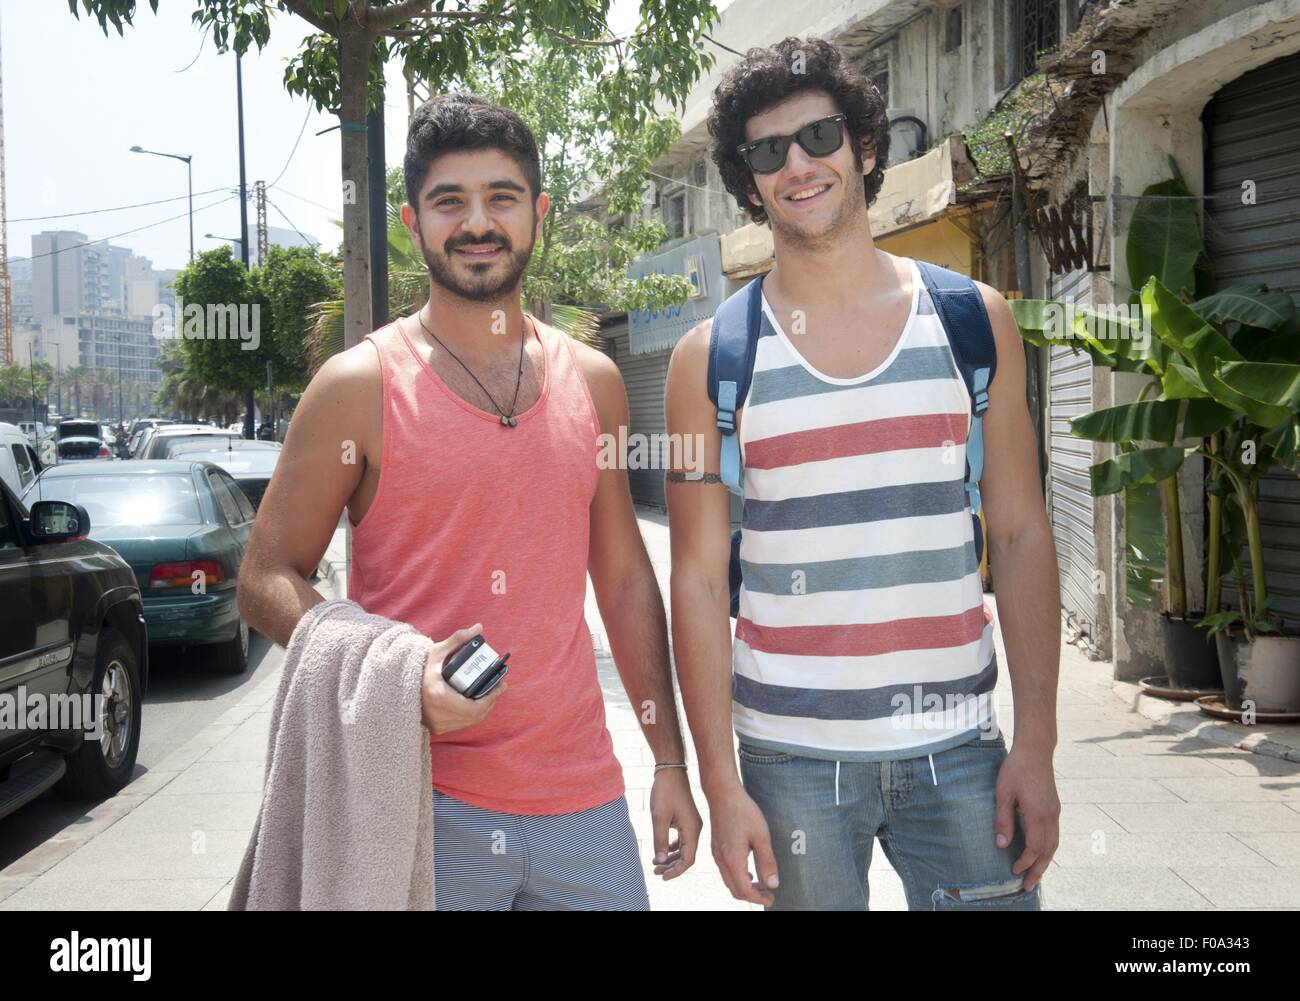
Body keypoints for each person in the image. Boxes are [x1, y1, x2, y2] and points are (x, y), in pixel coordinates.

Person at [237, 93, 701, 910]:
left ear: (539, 215)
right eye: (450, 201)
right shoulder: (357, 387)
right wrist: (400, 673)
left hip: (582, 799)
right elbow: (265, 576)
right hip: (423, 801)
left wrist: (668, 760)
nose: (477, 222)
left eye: (502, 197)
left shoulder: (594, 381)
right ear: (414, 223)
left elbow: (624, 576)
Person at [664, 37, 1061, 911]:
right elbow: (694, 578)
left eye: (819, 136)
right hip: (789, 761)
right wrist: (721, 786)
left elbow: (1024, 533)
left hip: (960, 749)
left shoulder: (972, 321)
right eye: (768, 152)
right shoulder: (710, 360)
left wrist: (1037, 742)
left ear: (867, 147)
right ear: (748, 180)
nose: (797, 165)